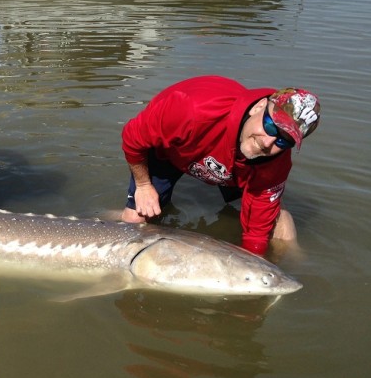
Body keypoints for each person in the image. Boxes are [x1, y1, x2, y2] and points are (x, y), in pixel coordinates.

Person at [119, 76, 321, 256]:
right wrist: (143, 185)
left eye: (284, 140)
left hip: (236, 168)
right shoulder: (191, 109)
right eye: (270, 126)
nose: (268, 142)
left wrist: (253, 261)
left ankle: (296, 260)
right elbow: (132, 139)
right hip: (173, 150)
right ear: (258, 107)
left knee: (276, 223)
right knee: (133, 222)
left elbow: (256, 234)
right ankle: (106, 220)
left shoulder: (275, 160)